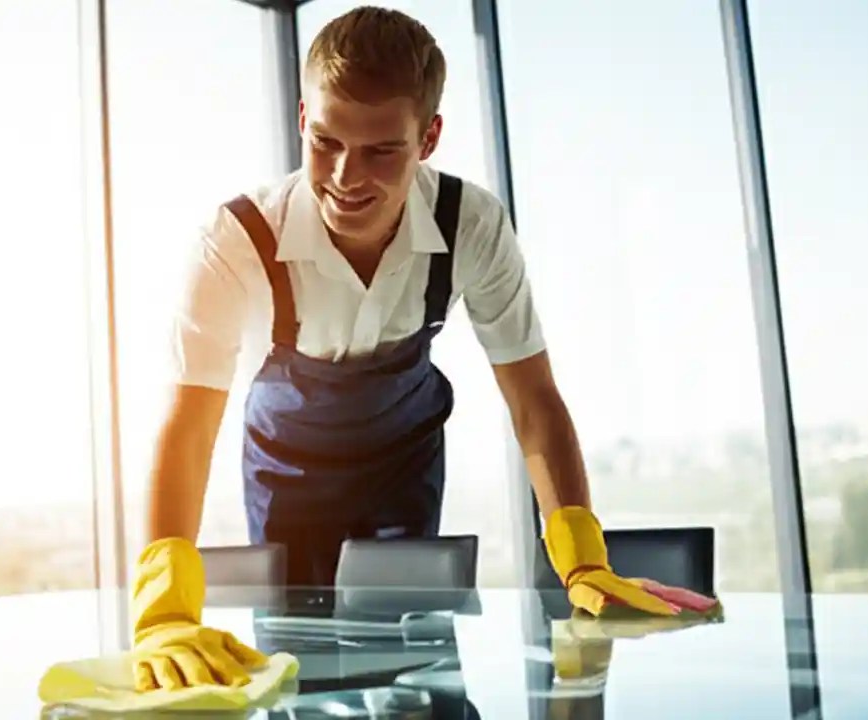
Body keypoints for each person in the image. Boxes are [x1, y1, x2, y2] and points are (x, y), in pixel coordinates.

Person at [124, 6, 713, 693]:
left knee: (417, 681)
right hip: (285, 471)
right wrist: (162, 610)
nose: (346, 175)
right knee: (293, 679)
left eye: (381, 150)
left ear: (428, 136)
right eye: (325, 141)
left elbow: (533, 399)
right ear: (301, 117)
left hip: (402, 462)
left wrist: (582, 561)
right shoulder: (237, 240)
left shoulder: (474, 225)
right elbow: (188, 428)